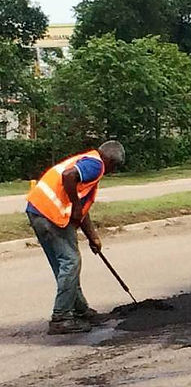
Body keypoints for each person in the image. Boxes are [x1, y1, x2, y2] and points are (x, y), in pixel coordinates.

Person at [26, 141, 125, 334]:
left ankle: (79, 309)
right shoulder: (96, 165)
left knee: (65, 263)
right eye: (114, 167)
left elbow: (81, 208)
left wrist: (93, 237)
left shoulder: (88, 161)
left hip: (37, 210)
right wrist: (76, 206)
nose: (111, 172)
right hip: (50, 214)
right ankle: (61, 317)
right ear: (110, 161)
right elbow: (68, 177)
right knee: (70, 262)